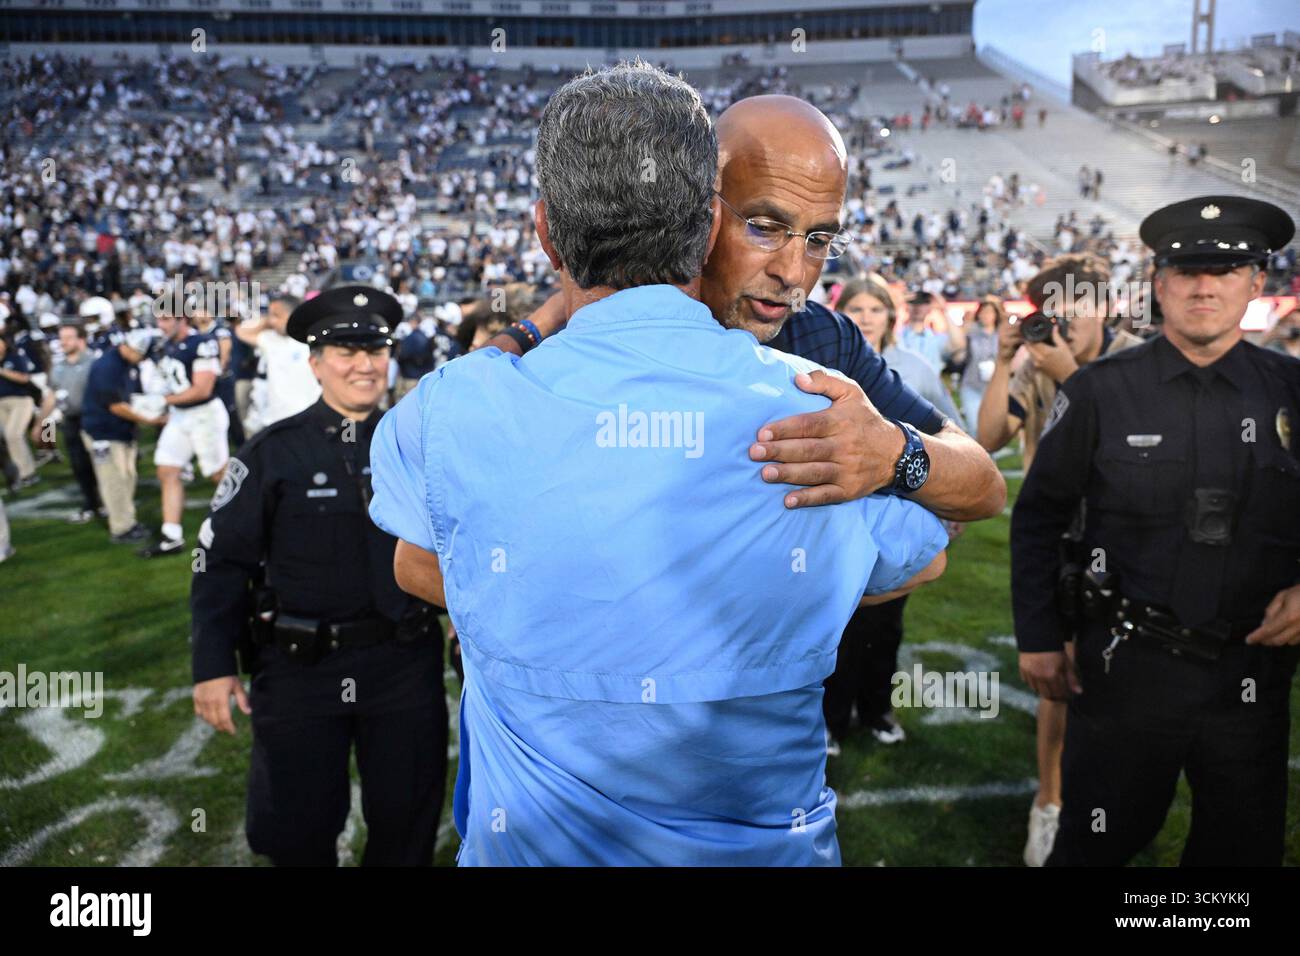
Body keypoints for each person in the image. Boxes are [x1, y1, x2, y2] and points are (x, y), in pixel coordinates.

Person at [370, 62, 949, 866]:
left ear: (545, 233)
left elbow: (415, 560)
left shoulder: (447, 408)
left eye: (814, 239)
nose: (795, 265)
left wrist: (528, 329)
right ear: (710, 226)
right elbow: (929, 551)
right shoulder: (816, 404)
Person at [1012, 195, 1300, 866]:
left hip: (1250, 677)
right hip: (1123, 671)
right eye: (1187, 269)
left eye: (1225, 271)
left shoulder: (1292, 392)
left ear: (1257, 283)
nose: (1205, 286)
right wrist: (1039, 636)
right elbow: (1039, 520)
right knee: (1095, 846)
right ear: (1158, 283)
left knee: (1239, 856)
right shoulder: (1099, 392)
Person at [190, 285, 447, 867]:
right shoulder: (270, 452)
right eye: (345, 351)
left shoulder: (420, 446)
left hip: (402, 664)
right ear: (314, 363)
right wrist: (211, 666)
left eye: (375, 350)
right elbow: (218, 562)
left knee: (407, 826)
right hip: (300, 669)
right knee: (298, 832)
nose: (364, 364)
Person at [975, 252, 1143, 865]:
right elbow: (988, 437)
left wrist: (1072, 372)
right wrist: (1002, 364)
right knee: (1060, 677)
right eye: (1051, 311)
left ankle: (1109, 794)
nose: (1063, 322)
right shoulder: (1040, 360)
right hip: (1063, 535)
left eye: (1075, 307)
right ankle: (1049, 801)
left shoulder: (1137, 354)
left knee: (1130, 679)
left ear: (1104, 306)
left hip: (1133, 536)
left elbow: (1128, 438)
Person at [827, 273, 960, 748]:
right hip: (842, 514)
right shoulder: (822, 362)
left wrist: (950, 501)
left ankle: (878, 710)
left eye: (874, 309)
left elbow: (953, 438)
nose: (865, 317)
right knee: (839, 622)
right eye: (857, 309)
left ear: (891, 315)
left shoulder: (916, 367)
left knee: (886, 624)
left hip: (903, 515)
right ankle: (831, 719)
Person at [138, 306, 229, 558]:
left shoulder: (201, 343)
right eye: (159, 319)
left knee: (218, 474)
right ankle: (171, 536)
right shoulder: (164, 346)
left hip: (204, 415)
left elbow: (202, 389)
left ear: (182, 319)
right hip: (181, 415)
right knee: (167, 469)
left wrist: (164, 400)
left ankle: (250, 523)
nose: (161, 325)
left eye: (166, 319)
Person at [79, 329, 167, 543]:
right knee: (113, 480)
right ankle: (121, 528)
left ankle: (127, 520)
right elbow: (115, 406)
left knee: (127, 477)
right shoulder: (107, 366)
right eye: (142, 355)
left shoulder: (126, 363)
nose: (143, 360)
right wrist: (150, 420)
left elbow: (132, 398)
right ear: (131, 348)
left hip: (121, 431)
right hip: (103, 432)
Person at [233, 293, 320, 427]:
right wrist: (266, 321)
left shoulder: (312, 338)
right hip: (277, 417)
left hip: (309, 415)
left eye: (277, 315)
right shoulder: (270, 339)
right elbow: (240, 332)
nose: (272, 321)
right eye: (270, 316)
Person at [49, 323, 102, 523]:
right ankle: (90, 503)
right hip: (70, 420)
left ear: (81, 339)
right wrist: (42, 424)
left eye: (68, 337)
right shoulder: (58, 367)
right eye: (61, 338)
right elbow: (52, 396)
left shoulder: (94, 362)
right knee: (79, 465)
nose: (63, 342)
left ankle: (105, 501)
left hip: (93, 418)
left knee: (99, 462)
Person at [950, 296, 1004, 435]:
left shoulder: (1002, 335)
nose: (985, 315)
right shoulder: (970, 333)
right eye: (983, 311)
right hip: (971, 384)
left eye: (989, 312)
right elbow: (958, 351)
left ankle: (990, 454)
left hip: (994, 387)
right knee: (974, 426)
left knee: (992, 427)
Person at [0, 335, 38, 488]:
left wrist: (2, 371)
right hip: (1, 403)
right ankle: (16, 473)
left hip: (21, 400)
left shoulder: (15, 356)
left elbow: (24, 378)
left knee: (13, 434)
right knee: (6, 438)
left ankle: (28, 471)